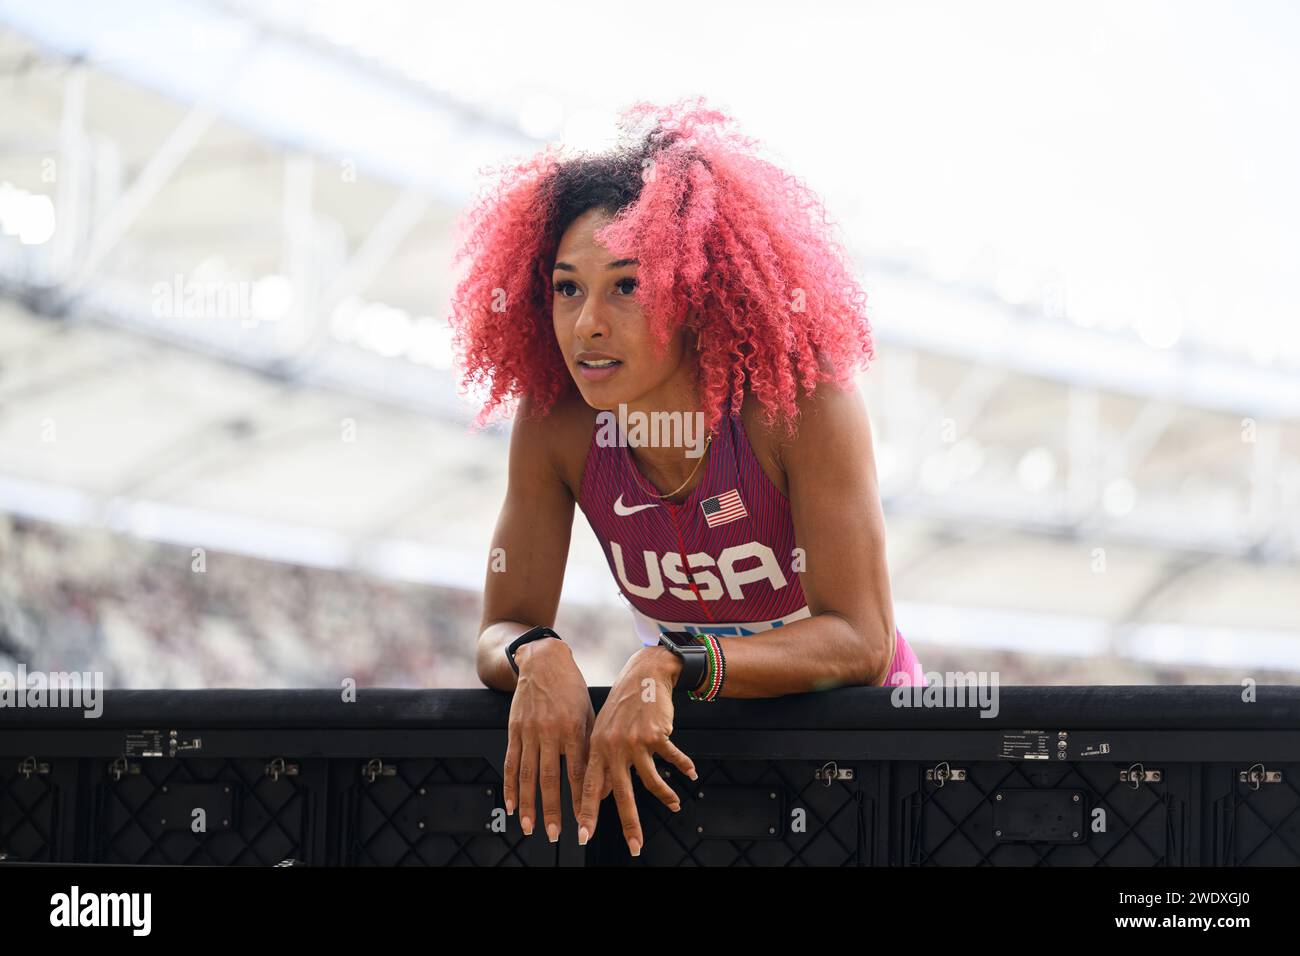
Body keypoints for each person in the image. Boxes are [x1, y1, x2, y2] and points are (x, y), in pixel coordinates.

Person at [449, 99, 923, 858]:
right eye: (567, 288)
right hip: (701, 760)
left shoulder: (802, 405)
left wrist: (675, 659)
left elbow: (861, 641)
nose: (586, 324)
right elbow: (497, 631)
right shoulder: (555, 426)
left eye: (626, 286)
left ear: (699, 291)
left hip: (865, 755)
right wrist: (538, 654)